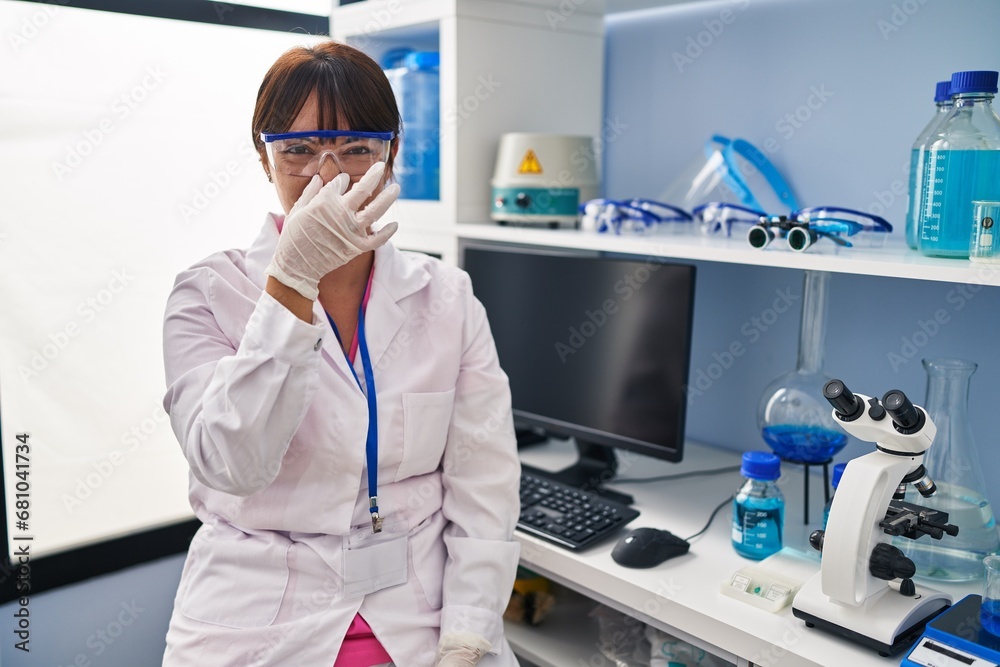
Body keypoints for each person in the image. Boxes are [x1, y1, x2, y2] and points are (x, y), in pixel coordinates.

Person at [160, 40, 521, 667]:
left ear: (392, 154)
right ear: (263, 156)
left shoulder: (447, 297)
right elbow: (230, 464)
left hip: (419, 614)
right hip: (258, 619)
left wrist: (467, 636)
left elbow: (484, 488)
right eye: (297, 150)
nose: (328, 176)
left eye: (357, 148)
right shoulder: (207, 294)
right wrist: (290, 285)